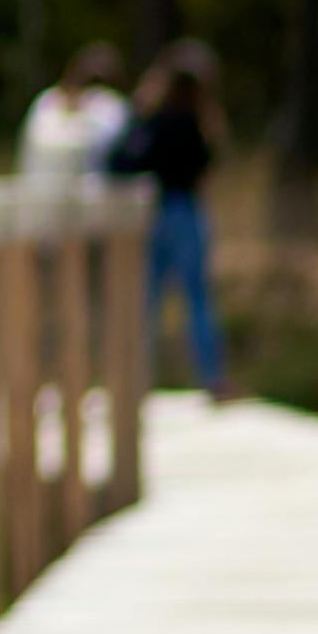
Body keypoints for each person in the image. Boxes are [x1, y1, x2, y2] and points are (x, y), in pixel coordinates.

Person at [112, 40, 229, 398]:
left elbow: (121, 161)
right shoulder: (196, 122)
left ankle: (136, 377)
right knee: (197, 298)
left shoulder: (156, 121)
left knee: (150, 300)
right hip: (186, 212)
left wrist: (138, 110)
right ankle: (213, 378)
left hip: (157, 214)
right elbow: (211, 163)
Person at [19, 42, 129, 185]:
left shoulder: (112, 105)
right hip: (44, 190)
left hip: (93, 194)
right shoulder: (48, 101)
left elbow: (104, 142)